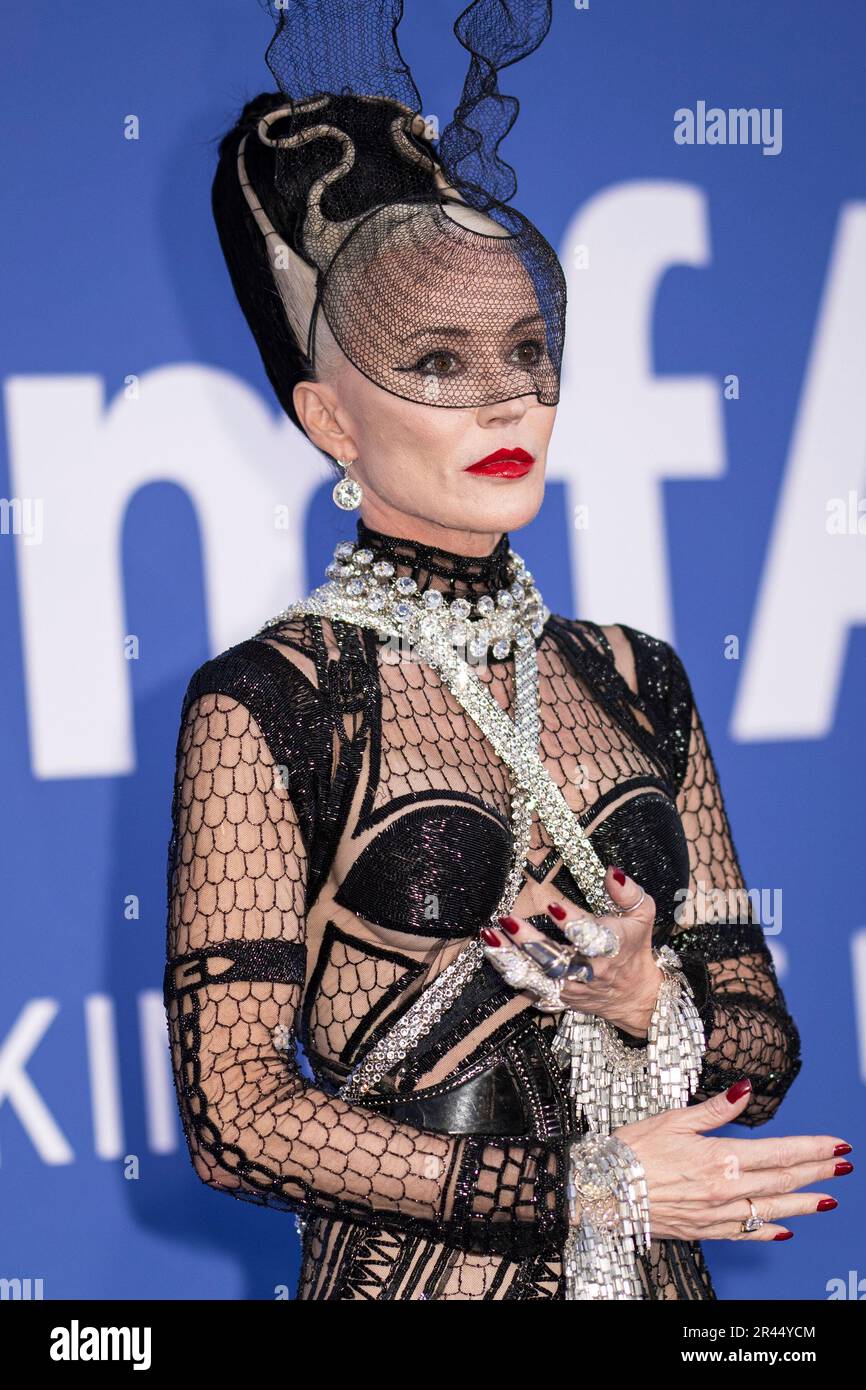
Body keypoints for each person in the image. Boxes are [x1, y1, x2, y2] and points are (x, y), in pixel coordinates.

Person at [163, 0, 847, 1300]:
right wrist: (581, 1183)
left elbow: (756, 1036)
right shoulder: (271, 700)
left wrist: (651, 1000)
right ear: (329, 419)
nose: (507, 399)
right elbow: (234, 1116)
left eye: (527, 351)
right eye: (435, 360)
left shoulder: (635, 677)